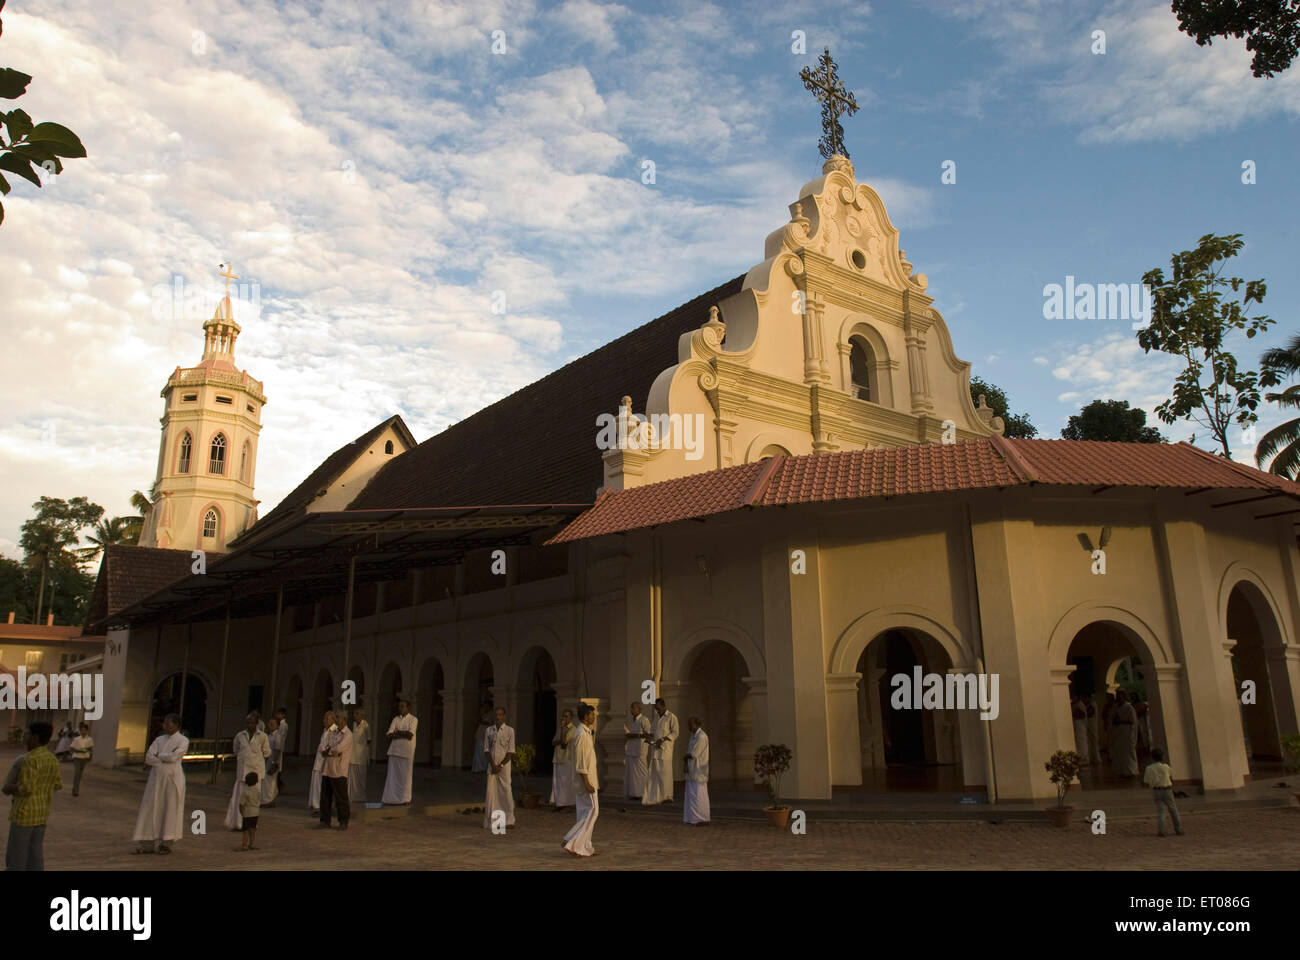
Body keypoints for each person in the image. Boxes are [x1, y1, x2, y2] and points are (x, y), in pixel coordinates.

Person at [3, 722, 61, 870]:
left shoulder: (29, 759)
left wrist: (9, 788)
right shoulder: (52, 759)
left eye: (27, 734)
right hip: (41, 815)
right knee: (35, 856)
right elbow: (57, 785)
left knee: (16, 858)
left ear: (35, 738)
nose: (24, 737)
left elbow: (26, 788)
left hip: (24, 815)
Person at [133, 713, 189, 854]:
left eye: (168, 724)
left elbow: (174, 757)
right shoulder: (159, 739)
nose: (165, 726)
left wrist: (160, 756)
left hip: (172, 780)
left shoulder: (183, 740)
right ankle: (147, 843)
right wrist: (163, 759)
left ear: (176, 725)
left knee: (170, 809)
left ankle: (166, 843)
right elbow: (149, 757)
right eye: (165, 723)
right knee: (150, 808)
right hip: (156, 778)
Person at [562, 703, 599, 857]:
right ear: (585, 717)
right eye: (591, 714)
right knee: (593, 810)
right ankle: (571, 839)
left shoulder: (584, 732)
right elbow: (582, 761)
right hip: (585, 779)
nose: (594, 716)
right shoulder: (582, 734)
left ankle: (584, 846)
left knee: (584, 812)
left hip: (584, 779)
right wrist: (587, 782)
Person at [225, 712, 271, 831]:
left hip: (256, 774)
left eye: (252, 723)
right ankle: (238, 823)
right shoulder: (240, 736)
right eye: (248, 723)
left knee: (253, 801)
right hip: (242, 773)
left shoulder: (263, 737)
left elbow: (267, 753)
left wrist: (257, 762)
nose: (249, 725)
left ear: (256, 723)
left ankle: (251, 824)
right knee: (239, 799)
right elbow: (236, 750)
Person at [317, 714, 353, 830]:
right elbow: (322, 747)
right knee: (325, 797)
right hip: (327, 768)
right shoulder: (332, 731)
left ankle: (343, 821)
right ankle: (324, 821)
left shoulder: (348, 734)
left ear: (344, 719)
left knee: (341, 798)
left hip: (339, 770)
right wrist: (329, 751)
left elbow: (338, 749)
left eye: (338, 718)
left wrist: (328, 751)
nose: (336, 720)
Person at [483, 707, 515, 830]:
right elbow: (486, 750)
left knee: (506, 791)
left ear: (504, 716)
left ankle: (509, 820)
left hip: (504, 767)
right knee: (491, 792)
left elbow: (510, 751)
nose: (498, 717)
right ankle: (492, 820)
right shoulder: (489, 730)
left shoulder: (509, 731)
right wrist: (493, 765)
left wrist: (500, 765)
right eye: (496, 715)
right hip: (492, 766)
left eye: (500, 715)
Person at [381, 697, 418, 805]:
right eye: (399, 706)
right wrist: (402, 733)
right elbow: (389, 734)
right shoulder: (396, 719)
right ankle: (390, 798)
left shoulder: (413, 719)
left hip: (406, 752)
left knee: (405, 777)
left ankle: (405, 799)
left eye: (402, 706)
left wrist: (397, 732)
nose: (400, 708)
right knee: (392, 776)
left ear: (408, 708)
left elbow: (410, 735)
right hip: (394, 750)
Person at [643, 698, 678, 805]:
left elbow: (675, 733)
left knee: (665, 774)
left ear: (663, 706)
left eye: (658, 708)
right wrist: (649, 737)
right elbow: (653, 732)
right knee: (655, 774)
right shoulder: (656, 718)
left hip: (665, 750)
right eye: (656, 709)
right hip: (655, 750)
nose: (657, 711)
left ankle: (667, 796)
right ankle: (656, 796)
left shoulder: (671, 717)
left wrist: (662, 739)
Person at [1142, 748, 1184, 837]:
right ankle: (1179, 829)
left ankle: (1162, 831)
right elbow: (1170, 775)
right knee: (1173, 810)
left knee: (1161, 811)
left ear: (1152, 757)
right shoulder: (1166, 767)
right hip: (1167, 789)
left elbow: (1146, 781)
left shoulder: (1149, 768)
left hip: (1157, 790)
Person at [683, 716, 710, 826]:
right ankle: (692, 818)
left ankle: (701, 818)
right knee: (691, 795)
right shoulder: (693, 736)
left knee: (699, 795)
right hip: (691, 769)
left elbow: (694, 753)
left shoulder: (701, 737)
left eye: (690, 724)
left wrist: (686, 756)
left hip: (699, 770)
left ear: (696, 724)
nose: (689, 727)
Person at [309, 712, 337, 815]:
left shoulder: (334, 731)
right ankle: (316, 805)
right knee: (316, 784)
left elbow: (331, 746)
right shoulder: (325, 730)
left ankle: (319, 806)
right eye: (324, 719)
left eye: (327, 719)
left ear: (333, 720)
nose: (324, 721)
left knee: (321, 785)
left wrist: (325, 751)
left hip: (325, 762)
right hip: (319, 761)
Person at [549, 708, 576, 811]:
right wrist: (561, 733)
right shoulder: (561, 728)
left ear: (571, 717)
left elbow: (564, 743)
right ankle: (558, 803)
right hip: (557, 758)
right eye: (563, 716)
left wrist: (562, 736)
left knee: (566, 783)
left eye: (566, 716)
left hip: (567, 759)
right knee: (557, 783)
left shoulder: (573, 729)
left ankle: (566, 803)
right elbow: (554, 742)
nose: (564, 718)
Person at [623, 701, 650, 800]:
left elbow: (648, 735)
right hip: (631, 750)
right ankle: (634, 794)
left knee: (642, 773)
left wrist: (635, 735)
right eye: (631, 708)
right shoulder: (631, 721)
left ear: (639, 709)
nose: (631, 710)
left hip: (640, 751)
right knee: (632, 775)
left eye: (633, 708)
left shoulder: (644, 720)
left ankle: (644, 793)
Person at [1110, 690, 1139, 778]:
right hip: (1118, 733)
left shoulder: (1129, 707)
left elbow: (1132, 721)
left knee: (1129, 752)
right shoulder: (1116, 707)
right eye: (1117, 696)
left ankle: (1131, 770)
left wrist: (1121, 720)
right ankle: (1120, 770)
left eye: (1120, 696)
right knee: (1119, 752)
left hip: (1127, 732)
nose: (1119, 698)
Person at [349, 707, 371, 803]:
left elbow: (369, 739)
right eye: (354, 714)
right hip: (352, 755)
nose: (354, 716)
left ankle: (360, 796)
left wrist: (363, 748)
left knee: (361, 777)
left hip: (361, 756)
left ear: (362, 715)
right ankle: (352, 796)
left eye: (357, 714)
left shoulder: (366, 725)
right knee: (352, 777)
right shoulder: (354, 724)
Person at [261, 715, 283, 806]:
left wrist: (274, 763)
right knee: (267, 781)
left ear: (277, 726)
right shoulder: (269, 735)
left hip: (273, 761)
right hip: (268, 760)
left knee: (270, 781)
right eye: (269, 724)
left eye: (272, 724)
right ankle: (268, 799)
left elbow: (277, 750)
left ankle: (269, 800)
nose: (270, 726)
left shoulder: (277, 736)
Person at [239, 771, 261, 851]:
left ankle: (244, 845)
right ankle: (252, 844)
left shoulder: (245, 791)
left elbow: (241, 804)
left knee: (245, 830)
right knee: (253, 829)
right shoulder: (257, 790)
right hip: (256, 812)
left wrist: (241, 812)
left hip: (247, 813)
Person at [69, 723, 93, 796]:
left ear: (87, 731)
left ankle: (75, 788)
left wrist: (85, 750)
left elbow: (90, 748)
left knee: (80, 774)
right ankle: (75, 790)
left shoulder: (89, 739)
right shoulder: (76, 739)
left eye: (84, 730)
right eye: (82, 730)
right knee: (77, 773)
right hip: (77, 757)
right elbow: (72, 747)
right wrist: (78, 750)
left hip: (84, 757)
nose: (83, 732)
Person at [271, 707, 289, 792]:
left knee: (277, 767)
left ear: (283, 715)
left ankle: (278, 786)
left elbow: (281, 737)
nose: (277, 715)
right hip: (275, 747)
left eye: (279, 714)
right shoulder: (280, 724)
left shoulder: (283, 725)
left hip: (278, 747)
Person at [470, 705, 492, 774]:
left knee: (483, 752)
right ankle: (478, 768)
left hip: (486, 735)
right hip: (480, 734)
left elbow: (489, 722)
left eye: (486, 706)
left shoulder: (491, 714)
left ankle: (483, 768)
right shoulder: (484, 714)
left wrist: (481, 721)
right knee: (478, 752)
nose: (485, 708)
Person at [1071, 694, 1089, 762]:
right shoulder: (1075, 704)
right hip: (1077, 727)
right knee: (1078, 744)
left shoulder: (1080, 704)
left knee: (1082, 743)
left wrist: (1074, 715)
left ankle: (1084, 759)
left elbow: (1082, 715)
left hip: (1081, 727)